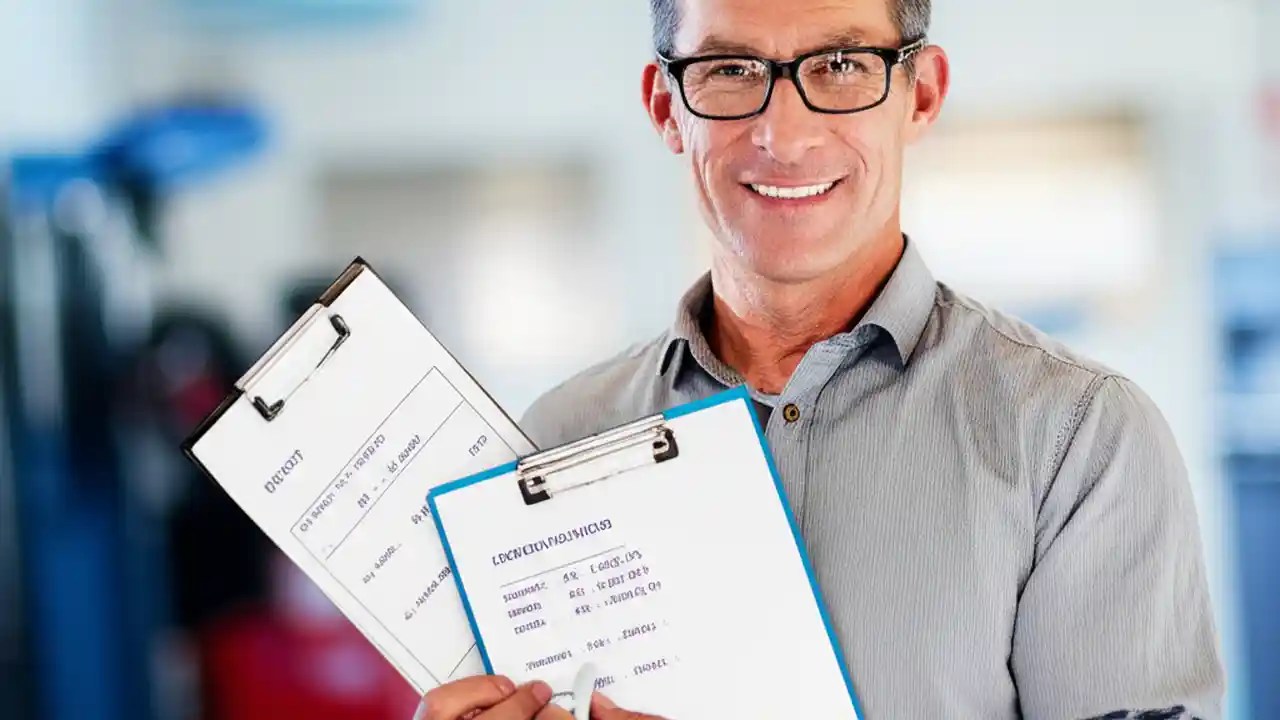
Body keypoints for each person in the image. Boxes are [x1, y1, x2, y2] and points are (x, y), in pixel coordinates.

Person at [417, 0, 1225, 718]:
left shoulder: (1078, 440)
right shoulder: (551, 442)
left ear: (924, 92)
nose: (785, 134)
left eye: (841, 64)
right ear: (667, 108)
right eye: (731, 69)